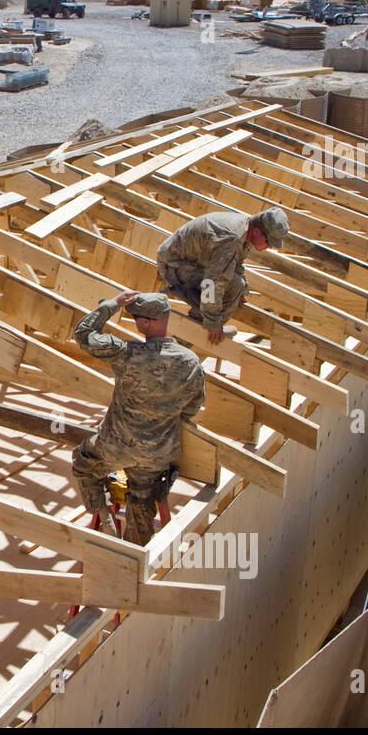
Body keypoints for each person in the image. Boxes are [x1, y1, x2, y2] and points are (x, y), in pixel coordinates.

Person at [71, 290, 206, 546]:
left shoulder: (127, 354)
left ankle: (104, 516)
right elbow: (193, 406)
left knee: (83, 460)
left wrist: (113, 304)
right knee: (142, 499)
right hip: (157, 453)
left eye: (136, 319)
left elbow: (84, 334)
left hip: (116, 446)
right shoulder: (190, 361)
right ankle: (137, 553)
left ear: (145, 323)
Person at [155, 208, 290, 345]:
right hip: (174, 265)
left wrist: (239, 292)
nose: (270, 247)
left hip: (192, 263)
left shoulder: (245, 228)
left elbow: (237, 264)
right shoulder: (232, 238)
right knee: (220, 295)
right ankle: (187, 341)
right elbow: (211, 282)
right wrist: (213, 321)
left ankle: (199, 328)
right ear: (257, 231)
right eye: (268, 241)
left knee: (237, 286)